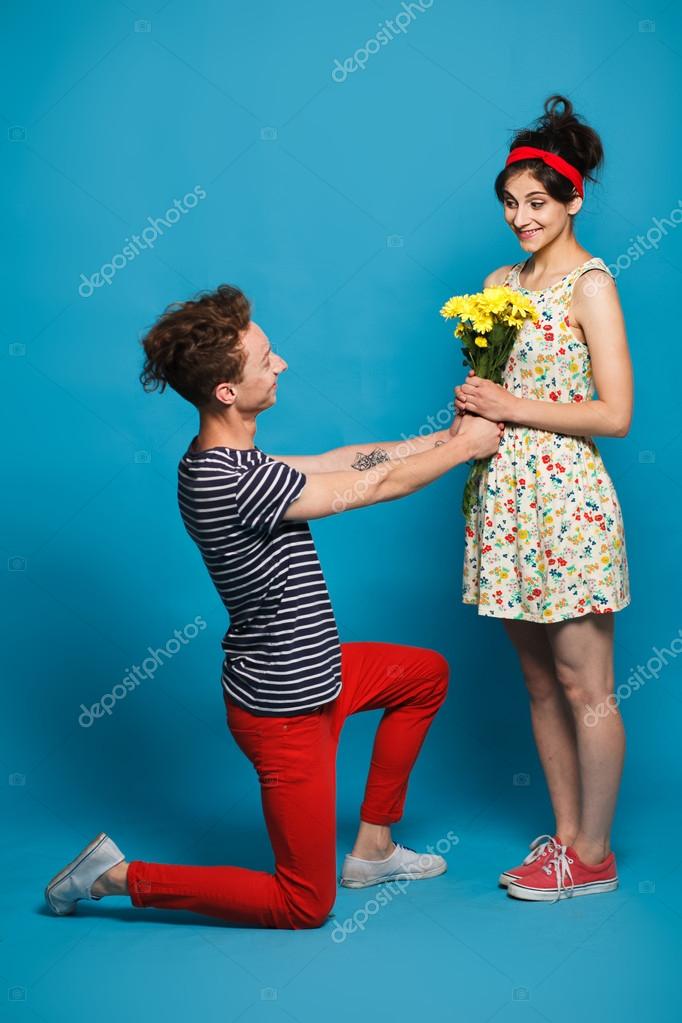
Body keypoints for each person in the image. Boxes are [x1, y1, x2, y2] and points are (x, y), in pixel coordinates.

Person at [45, 284, 503, 928]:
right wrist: (464, 450)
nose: (281, 364)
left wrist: (441, 436)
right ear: (227, 392)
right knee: (304, 904)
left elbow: (336, 461)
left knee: (424, 676)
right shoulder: (233, 480)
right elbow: (369, 487)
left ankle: (373, 849)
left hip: (322, 673)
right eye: (266, 359)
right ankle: (113, 876)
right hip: (286, 709)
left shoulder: (229, 458)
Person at [455, 94, 633, 901]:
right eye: (510, 204)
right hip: (505, 497)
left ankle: (594, 854)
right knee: (536, 684)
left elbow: (616, 413)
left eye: (537, 203)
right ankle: (566, 840)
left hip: (567, 501)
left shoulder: (591, 283)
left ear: (573, 201)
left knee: (585, 684)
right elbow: (493, 389)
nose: (521, 218)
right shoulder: (499, 282)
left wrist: (511, 407)